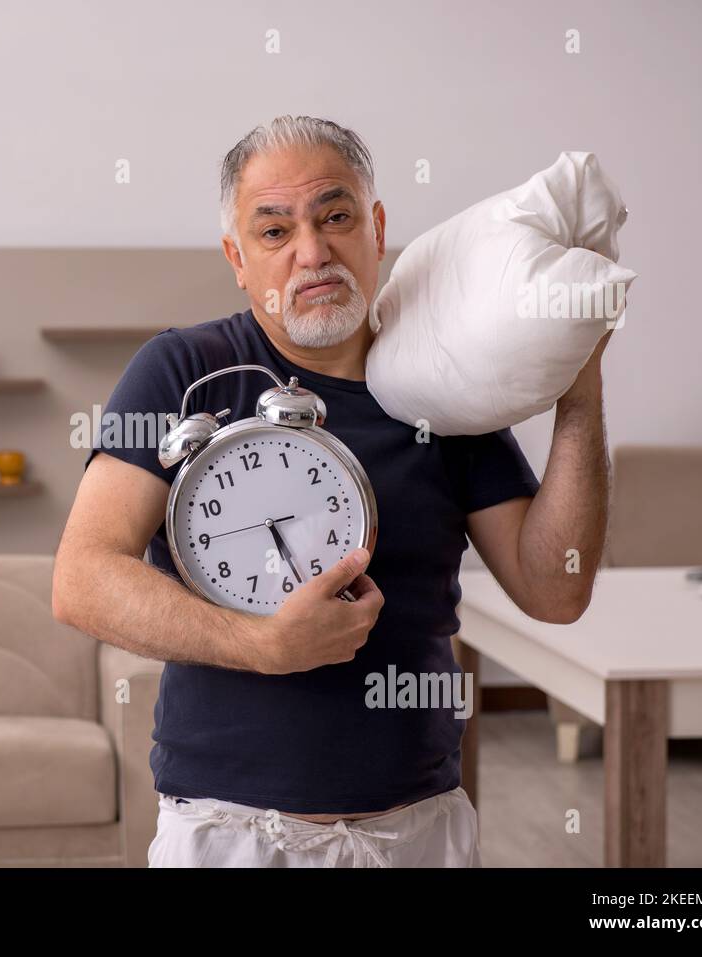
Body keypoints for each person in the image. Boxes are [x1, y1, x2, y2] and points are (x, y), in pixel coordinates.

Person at [51, 115, 611, 867]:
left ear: (376, 228)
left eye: (336, 216)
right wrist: (262, 645)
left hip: (420, 831)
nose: (312, 253)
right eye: (275, 232)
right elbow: (81, 578)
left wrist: (581, 386)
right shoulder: (180, 369)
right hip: (232, 835)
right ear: (237, 258)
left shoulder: (441, 382)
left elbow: (555, 590)